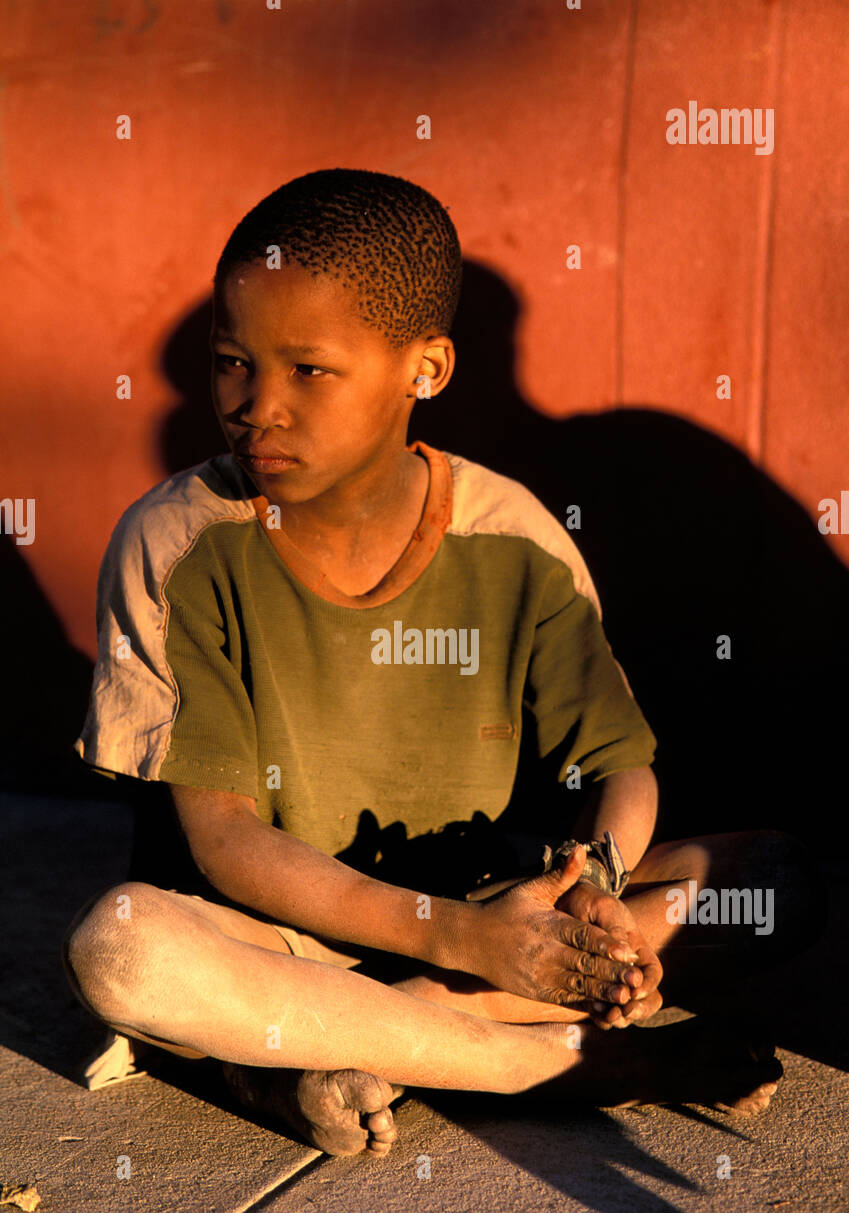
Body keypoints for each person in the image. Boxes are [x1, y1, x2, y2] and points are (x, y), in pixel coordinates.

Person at [63, 168, 809, 1157]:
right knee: (121, 946)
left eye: (307, 371)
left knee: (775, 881)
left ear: (427, 368)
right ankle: (568, 1065)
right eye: (233, 361)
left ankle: (314, 1055)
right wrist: (472, 946)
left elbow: (618, 765)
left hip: (482, 905)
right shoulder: (178, 542)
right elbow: (225, 844)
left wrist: (593, 883)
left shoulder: (515, 540)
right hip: (272, 933)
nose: (256, 407)